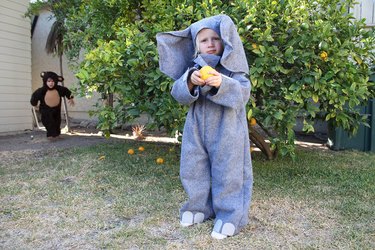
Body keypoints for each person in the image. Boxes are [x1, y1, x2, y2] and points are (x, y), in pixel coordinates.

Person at [156, 14, 253, 239]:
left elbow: (243, 95)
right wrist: (190, 81)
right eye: (204, 40)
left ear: (226, 42)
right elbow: (178, 94)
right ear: (196, 47)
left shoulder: (232, 70)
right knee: (193, 166)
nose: (210, 44)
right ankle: (198, 208)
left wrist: (223, 83)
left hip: (227, 129)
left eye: (215, 39)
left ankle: (230, 216)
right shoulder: (193, 69)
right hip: (196, 129)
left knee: (227, 171)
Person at [30, 71, 75, 140]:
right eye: (49, 81)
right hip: (45, 109)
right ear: (45, 81)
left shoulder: (59, 89)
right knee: (48, 122)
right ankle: (50, 135)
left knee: (57, 121)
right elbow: (35, 96)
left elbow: (66, 91)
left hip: (56, 109)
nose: (51, 83)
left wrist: (70, 98)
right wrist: (34, 103)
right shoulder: (42, 90)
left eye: (53, 81)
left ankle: (56, 134)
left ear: (56, 81)